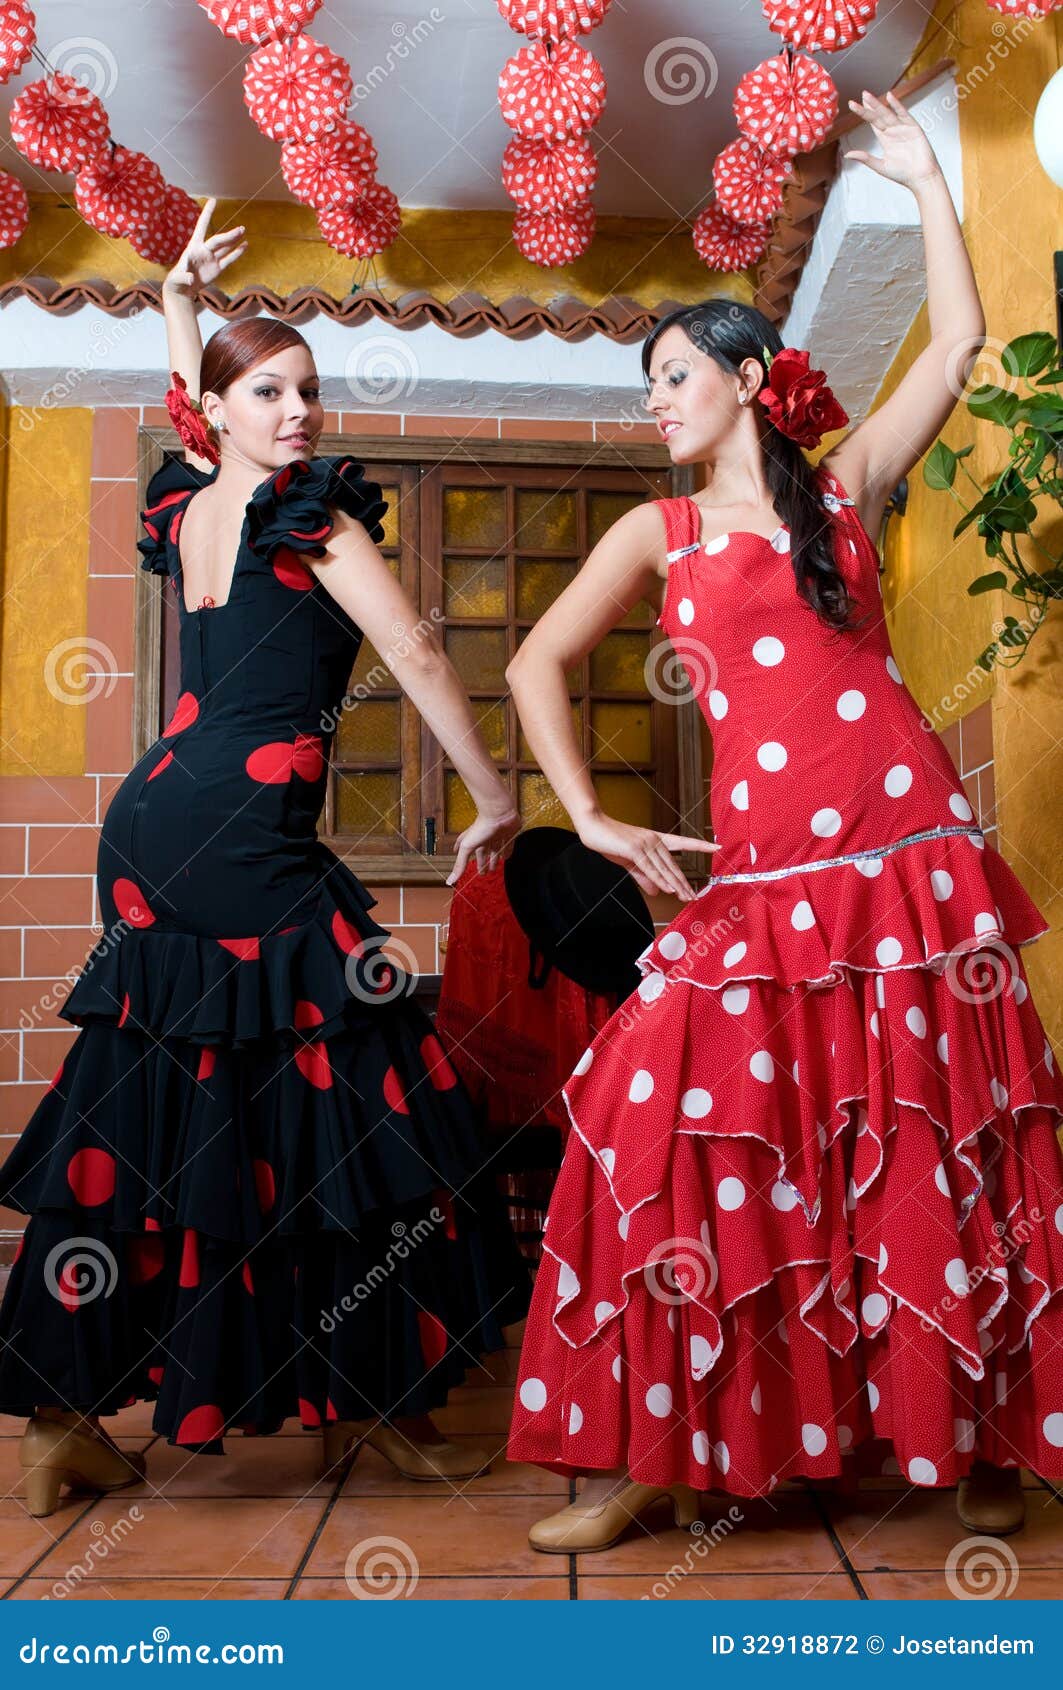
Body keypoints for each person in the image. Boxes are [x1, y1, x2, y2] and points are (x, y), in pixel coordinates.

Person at [505, 90, 1063, 1552]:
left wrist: (932, 179)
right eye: (648, 386)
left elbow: (955, 346)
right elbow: (529, 662)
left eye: (675, 374)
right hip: (765, 884)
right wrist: (587, 815)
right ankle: (667, 1451)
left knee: (948, 1137)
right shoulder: (659, 536)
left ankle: (988, 1441)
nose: (657, 401)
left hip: (908, 869)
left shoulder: (847, 494)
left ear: (748, 377)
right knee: (666, 1128)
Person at [0, 199, 530, 1518]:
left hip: (153, 830)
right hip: (245, 839)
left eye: (310, 388)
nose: (297, 410)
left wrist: (176, 305)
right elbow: (413, 655)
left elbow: (190, 398)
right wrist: (495, 795)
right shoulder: (317, 521)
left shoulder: (189, 507)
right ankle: (392, 1404)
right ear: (231, 411)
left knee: (147, 1105)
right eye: (272, 392)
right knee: (356, 1092)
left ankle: (62, 1419)